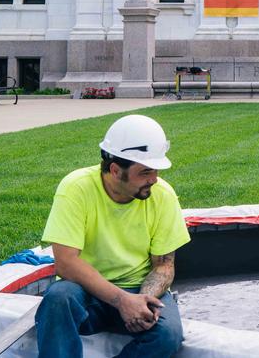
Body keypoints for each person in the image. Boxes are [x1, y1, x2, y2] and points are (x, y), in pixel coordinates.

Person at [35, 114, 191, 357]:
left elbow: (164, 266)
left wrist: (141, 301)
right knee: (59, 298)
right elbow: (65, 264)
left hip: (138, 288)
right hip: (85, 291)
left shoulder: (163, 195)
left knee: (167, 334)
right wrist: (121, 301)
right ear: (116, 170)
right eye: (146, 172)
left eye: (156, 170)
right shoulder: (76, 188)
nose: (154, 179)